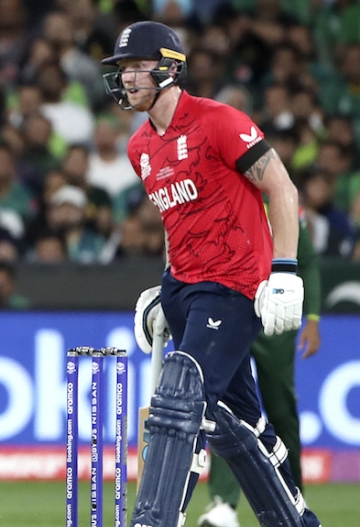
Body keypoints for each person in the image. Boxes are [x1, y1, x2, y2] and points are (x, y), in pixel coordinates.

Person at [102, 21, 322, 527]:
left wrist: (285, 270)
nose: (127, 79)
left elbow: (282, 189)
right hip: (186, 288)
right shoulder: (140, 147)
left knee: (182, 393)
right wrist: (164, 287)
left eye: (136, 67)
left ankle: (154, 521)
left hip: (233, 285)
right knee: (236, 423)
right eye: (122, 70)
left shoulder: (219, 120)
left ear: (168, 67)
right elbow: (173, 221)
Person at [199, 214, 322, 527]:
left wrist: (313, 319)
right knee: (227, 409)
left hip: (275, 321)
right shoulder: (224, 203)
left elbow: (307, 262)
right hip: (235, 310)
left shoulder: (281, 207)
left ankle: (294, 496)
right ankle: (223, 503)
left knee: (280, 409)